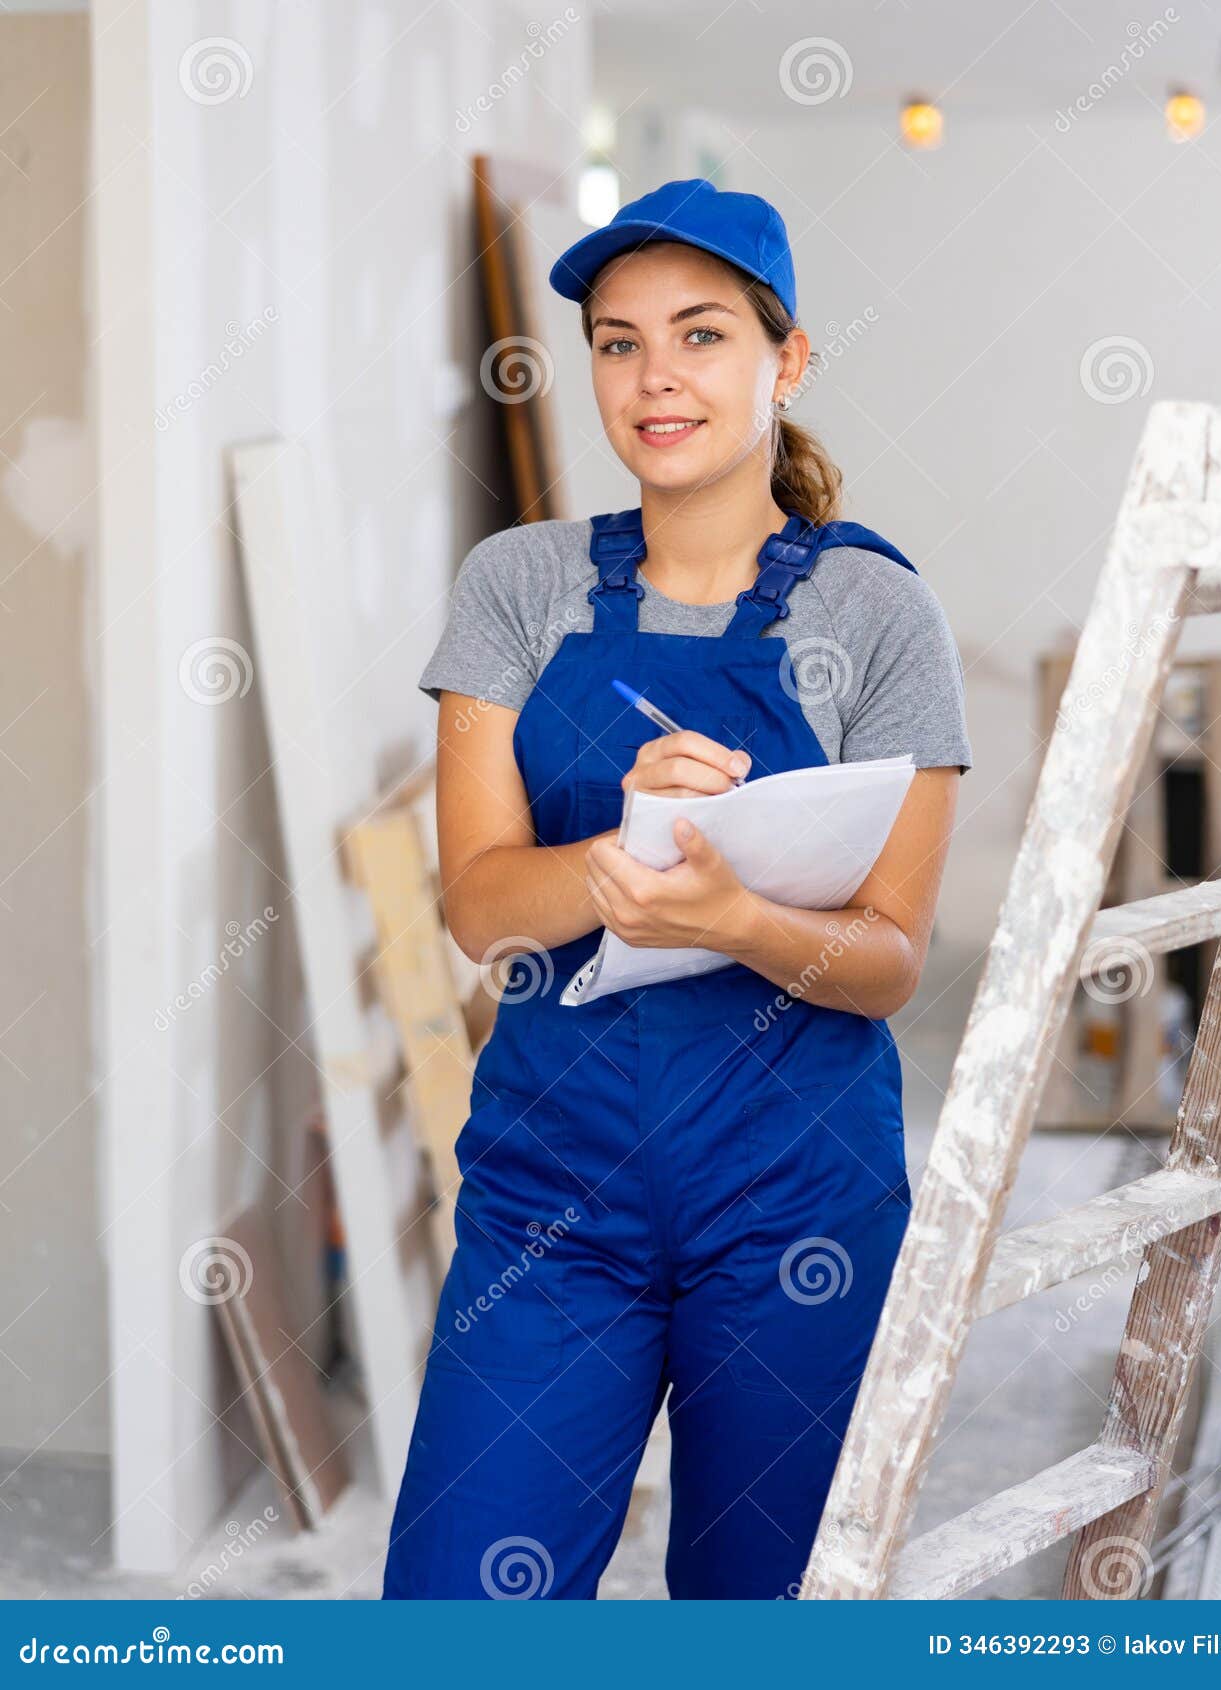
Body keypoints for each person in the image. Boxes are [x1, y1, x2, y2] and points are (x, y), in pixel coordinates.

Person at [382, 177, 973, 1601]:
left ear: (787, 357)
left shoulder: (876, 614)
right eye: (617, 340)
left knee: (753, 1611)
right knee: (458, 1605)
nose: (655, 377)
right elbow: (475, 906)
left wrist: (735, 919)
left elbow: (890, 958)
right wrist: (613, 858)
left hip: (793, 1210)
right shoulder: (518, 586)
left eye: (701, 335)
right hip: (551, 1199)